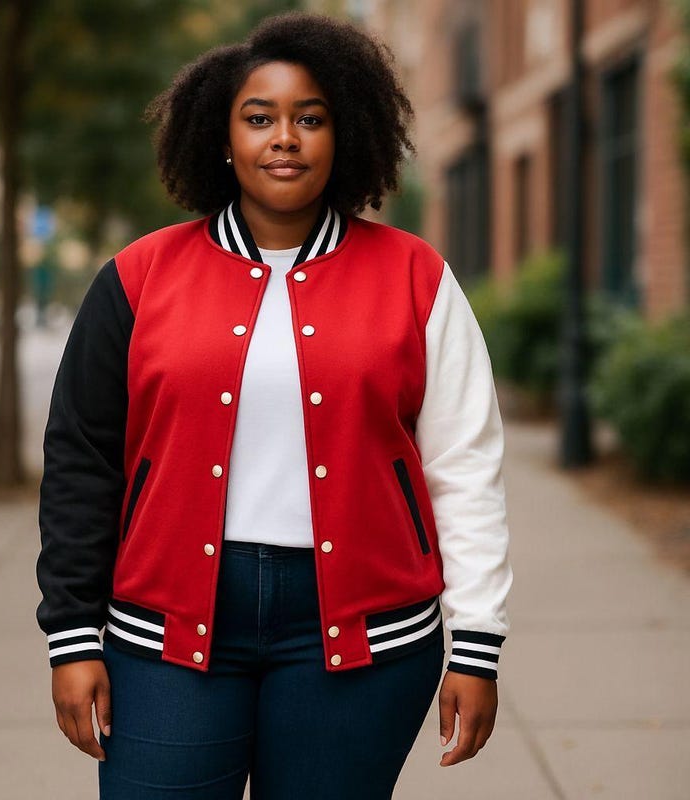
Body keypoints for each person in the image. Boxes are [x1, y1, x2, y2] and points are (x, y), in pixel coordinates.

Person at [35, 11, 513, 799]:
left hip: (366, 641)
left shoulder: (416, 276)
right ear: (223, 139)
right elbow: (81, 462)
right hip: (164, 635)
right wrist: (72, 635)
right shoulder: (138, 277)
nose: (284, 138)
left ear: (344, 134)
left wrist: (477, 643)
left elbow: (465, 466)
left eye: (310, 119)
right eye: (259, 119)